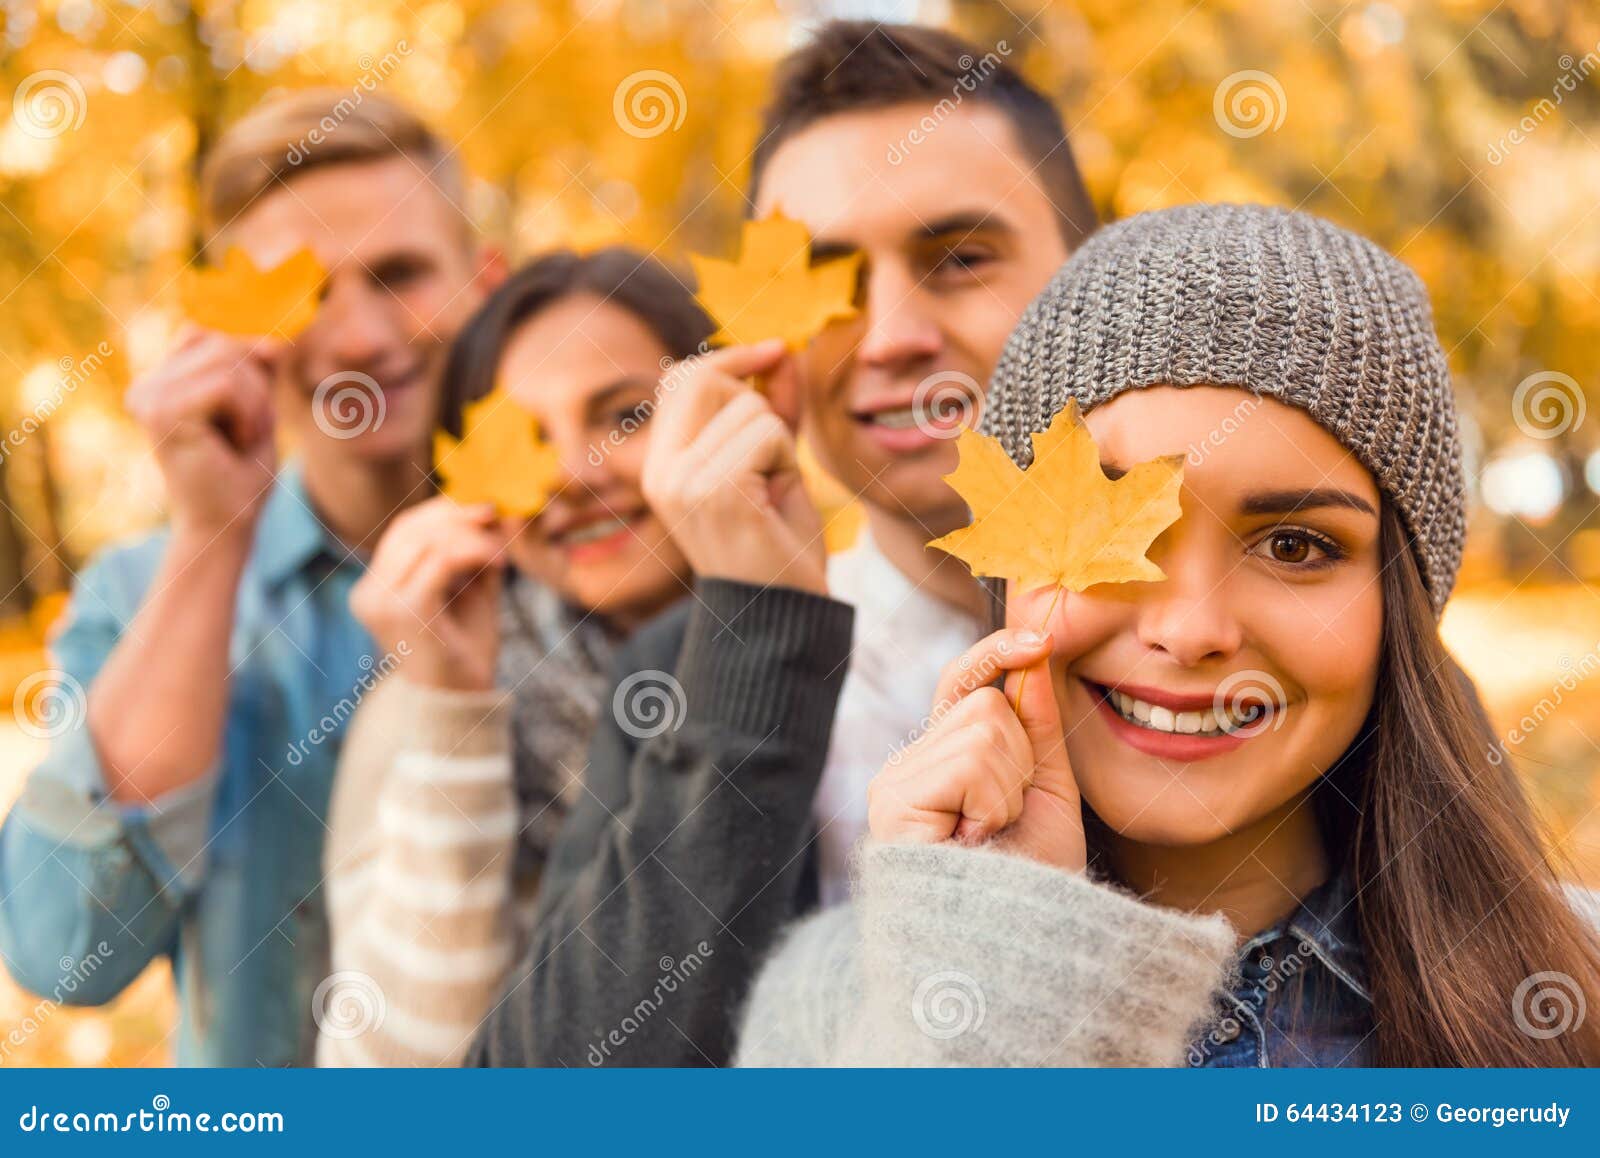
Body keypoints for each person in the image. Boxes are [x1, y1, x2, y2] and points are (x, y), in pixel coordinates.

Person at [732, 203, 1600, 1068]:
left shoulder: (1572, 990)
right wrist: (996, 979)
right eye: (1121, 531)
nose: (1190, 632)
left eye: (1295, 546)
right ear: (1006, 567)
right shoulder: (827, 1010)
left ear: (1398, 608)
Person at [469, 19, 1097, 1066]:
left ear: (1089, 268)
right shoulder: (680, 671)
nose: (892, 334)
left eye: (960, 258)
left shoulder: (1231, 635)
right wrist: (756, 641)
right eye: (831, 283)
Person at [0, 91, 503, 1066]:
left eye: (398, 274)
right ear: (227, 325)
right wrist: (211, 535)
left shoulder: (593, 558)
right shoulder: (142, 589)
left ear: (486, 284)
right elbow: (66, 954)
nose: (358, 338)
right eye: (303, 293)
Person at [317, 249, 711, 1066]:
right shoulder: (415, 713)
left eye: (625, 415)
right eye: (525, 441)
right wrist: (452, 714)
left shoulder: (842, 638)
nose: (573, 473)